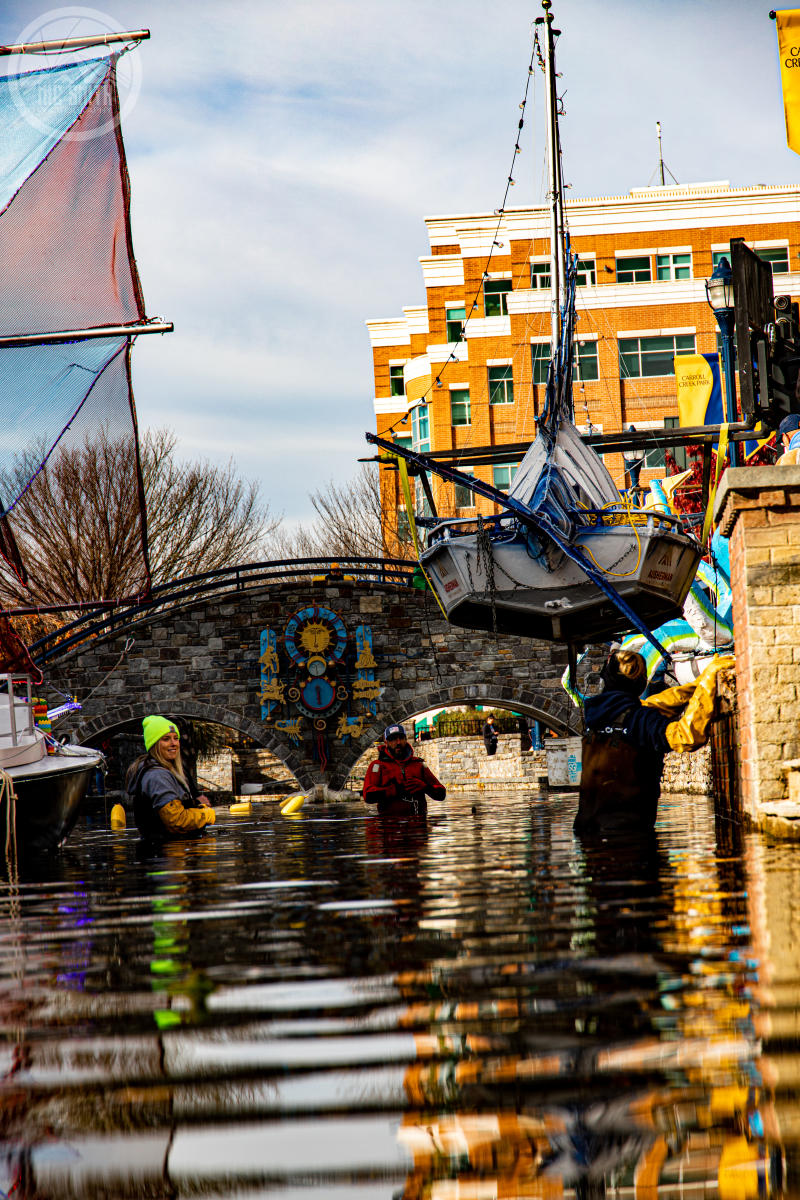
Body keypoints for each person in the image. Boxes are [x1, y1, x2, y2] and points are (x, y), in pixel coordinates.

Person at [574, 648, 734, 837]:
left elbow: (650, 706)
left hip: (586, 831)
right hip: (627, 836)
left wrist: (699, 683)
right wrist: (708, 683)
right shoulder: (639, 719)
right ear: (641, 683)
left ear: (606, 679)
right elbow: (686, 737)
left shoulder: (595, 715)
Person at [126, 716, 216, 841]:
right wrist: (205, 815)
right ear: (154, 744)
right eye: (166, 739)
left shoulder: (167, 770)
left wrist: (196, 804)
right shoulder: (157, 776)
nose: (173, 743)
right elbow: (175, 820)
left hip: (173, 850)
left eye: (175, 738)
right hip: (165, 853)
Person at [363, 723, 446, 815]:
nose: (398, 742)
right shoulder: (377, 766)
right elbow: (368, 795)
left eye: (401, 738)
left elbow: (441, 794)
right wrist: (393, 790)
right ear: (386, 742)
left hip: (418, 824)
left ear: (406, 740)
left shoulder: (419, 764)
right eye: (393, 739)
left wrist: (425, 787)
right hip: (389, 825)